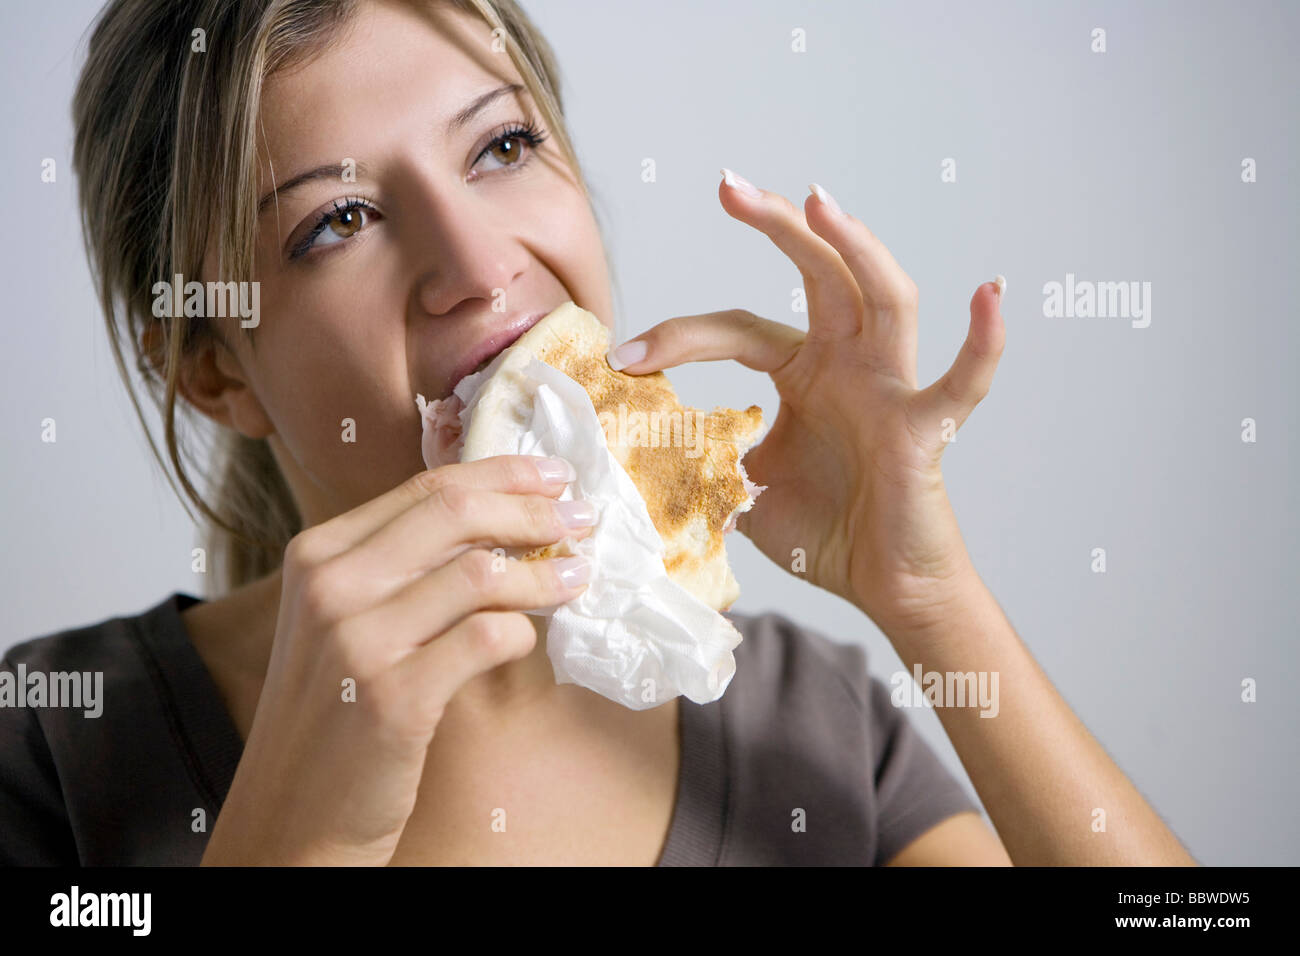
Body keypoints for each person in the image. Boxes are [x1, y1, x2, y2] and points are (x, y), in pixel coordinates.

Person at [1, 0, 1195, 866]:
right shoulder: (52, 744)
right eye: (341, 219)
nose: (477, 267)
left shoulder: (814, 731)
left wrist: (928, 594)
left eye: (502, 147)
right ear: (212, 367)